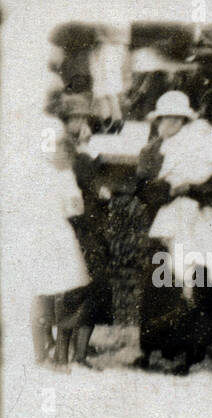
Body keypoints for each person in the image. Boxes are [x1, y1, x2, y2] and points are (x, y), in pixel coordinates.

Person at [132, 90, 212, 370]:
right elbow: (143, 190)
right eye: (166, 118)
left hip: (195, 223)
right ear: (158, 120)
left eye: (177, 119)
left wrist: (191, 189)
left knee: (194, 282)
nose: (171, 123)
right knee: (158, 287)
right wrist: (169, 191)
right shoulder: (151, 152)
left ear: (185, 121)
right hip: (162, 226)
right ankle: (151, 351)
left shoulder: (198, 148)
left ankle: (187, 353)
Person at [29, 100, 92, 367]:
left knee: (45, 290)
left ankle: (46, 353)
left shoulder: (38, 171)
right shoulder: (62, 173)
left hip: (40, 233)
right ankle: (54, 354)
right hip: (55, 234)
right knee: (65, 290)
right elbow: (75, 208)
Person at [53, 93, 114, 366]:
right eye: (73, 119)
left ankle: (77, 354)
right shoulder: (66, 151)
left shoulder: (79, 150)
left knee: (91, 288)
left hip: (90, 226)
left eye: (81, 118)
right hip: (77, 226)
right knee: (77, 289)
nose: (79, 123)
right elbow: (84, 178)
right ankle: (66, 354)